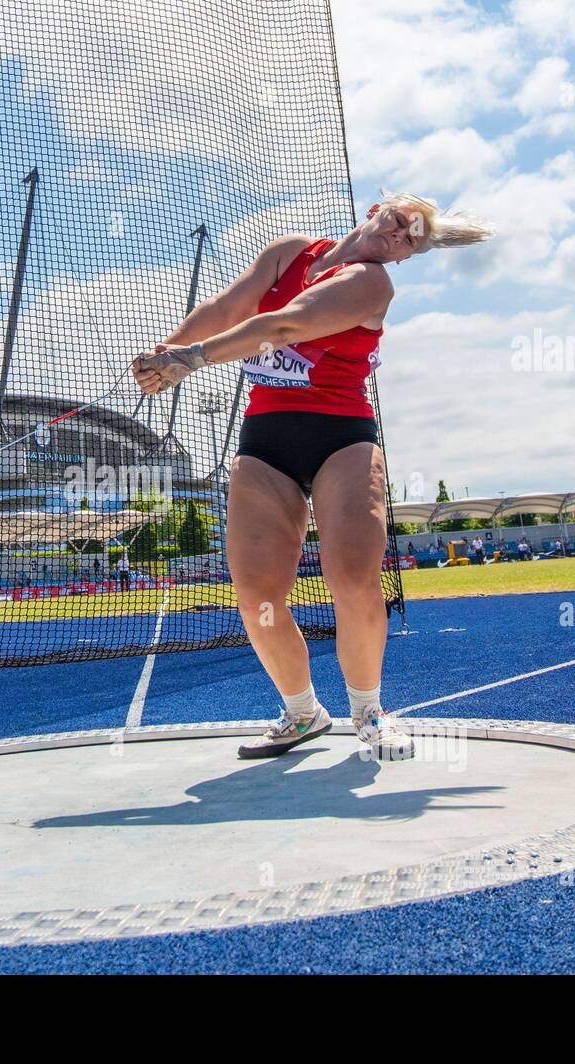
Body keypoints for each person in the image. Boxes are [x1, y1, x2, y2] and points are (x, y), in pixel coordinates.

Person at [133, 192, 494, 760]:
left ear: (406, 257)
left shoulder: (372, 284)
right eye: (400, 219)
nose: (400, 235)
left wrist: (192, 359)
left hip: (341, 438)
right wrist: (169, 349)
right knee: (256, 595)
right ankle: (303, 713)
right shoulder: (290, 254)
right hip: (266, 438)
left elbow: (284, 325)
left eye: (413, 239)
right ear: (378, 208)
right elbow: (227, 309)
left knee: (351, 577)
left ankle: (370, 711)